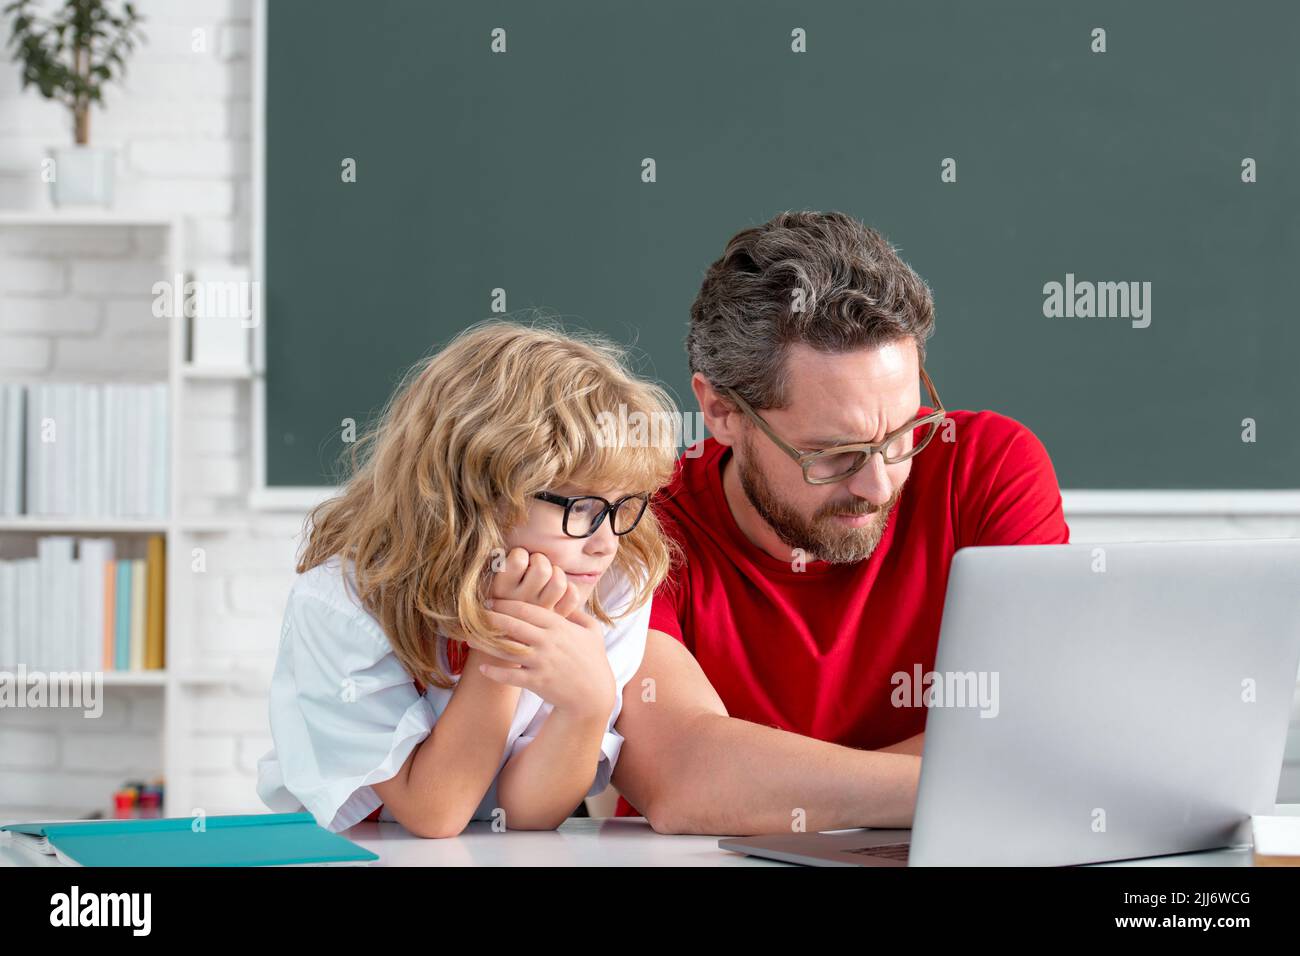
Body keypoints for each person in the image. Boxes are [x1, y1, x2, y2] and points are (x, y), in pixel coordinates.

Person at [609, 211, 1071, 834]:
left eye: (905, 433)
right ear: (721, 411)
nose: (878, 485)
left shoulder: (988, 466)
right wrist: (995, 779)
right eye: (833, 454)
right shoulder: (634, 521)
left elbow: (1044, 726)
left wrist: (768, 787)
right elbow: (685, 777)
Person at [256, 320, 682, 836]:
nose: (606, 541)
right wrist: (501, 644)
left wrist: (587, 707)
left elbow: (527, 815)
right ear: (476, 499)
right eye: (583, 506)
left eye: (621, 506)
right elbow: (432, 812)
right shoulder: (341, 602)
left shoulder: (610, 581)